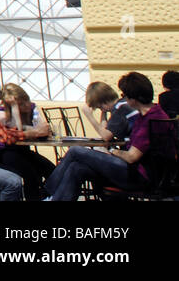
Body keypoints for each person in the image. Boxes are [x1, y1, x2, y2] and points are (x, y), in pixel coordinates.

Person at [45, 72, 177, 200]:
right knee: (77, 168)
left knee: (75, 151)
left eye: (124, 95)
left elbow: (131, 157)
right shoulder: (155, 113)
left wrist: (113, 152)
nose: (123, 98)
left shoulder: (148, 121)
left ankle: (47, 192)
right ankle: (53, 197)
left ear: (133, 98)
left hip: (141, 176)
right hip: (150, 174)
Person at [0, 82, 54, 200]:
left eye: (25, 100)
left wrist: (36, 124)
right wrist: (15, 109)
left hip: (21, 150)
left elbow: (45, 127)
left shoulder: (31, 107)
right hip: (2, 151)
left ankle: (48, 196)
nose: (26, 105)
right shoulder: (1, 113)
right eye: (21, 103)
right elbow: (18, 130)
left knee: (49, 168)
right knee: (30, 175)